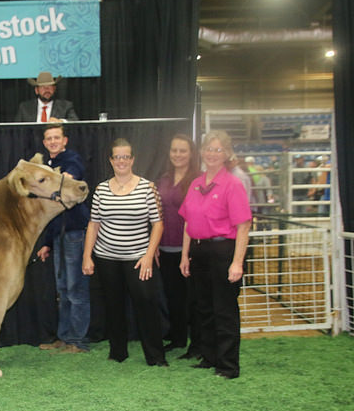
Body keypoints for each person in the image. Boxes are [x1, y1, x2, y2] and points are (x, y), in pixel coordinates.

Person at [82, 138, 167, 366]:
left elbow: (158, 224)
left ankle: (156, 356)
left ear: (132, 159)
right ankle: (117, 352)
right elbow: (94, 224)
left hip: (138, 259)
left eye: (126, 156)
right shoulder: (100, 189)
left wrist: (149, 256)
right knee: (113, 306)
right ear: (111, 160)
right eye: (117, 157)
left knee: (147, 305)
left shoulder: (147, 188)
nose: (121, 161)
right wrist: (87, 256)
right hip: (106, 258)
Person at [179, 130, 252, 379]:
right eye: (209, 149)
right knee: (204, 308)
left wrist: (237, 263)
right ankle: (209, 357)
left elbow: (243, 225)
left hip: (223, 250)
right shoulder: (196, 184)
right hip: (198, 250)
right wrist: (185, 255)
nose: (212, 154)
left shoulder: (233, 184)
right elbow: (188, 222)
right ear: (202, 153)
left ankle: (228, 365)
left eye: (218, 149)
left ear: (227, 154)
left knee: (224, 310)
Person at [35, 124, 91, 354]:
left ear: (65, 140)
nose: (53, 141)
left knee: (75, 287)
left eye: (57, 137)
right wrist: (47, 242)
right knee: (63, 288)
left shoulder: (72, 159)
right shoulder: (48, 165)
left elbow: (69, 180)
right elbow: (50, 209)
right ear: (45, 143)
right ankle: (65, 336)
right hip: (59, 233)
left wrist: (48, 179)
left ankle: (78, 340)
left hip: (74, 232)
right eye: (49, 138)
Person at [156, 134, 201, 358]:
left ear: (191, 154)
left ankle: (198, 344)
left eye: (182, 151)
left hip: (190, 250)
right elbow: (156, 213)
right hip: (165, 248)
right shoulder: (164, 179)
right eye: (174, 150)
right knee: (172, 297)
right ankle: (177, 338)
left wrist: (187, 252)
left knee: (192, 299)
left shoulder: (198, 181)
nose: (178, 155)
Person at [14, 71, 79, 123]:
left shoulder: (65, 106)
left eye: (49, 86)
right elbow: (16, 129)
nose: (47, 89)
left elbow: (75, 122)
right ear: (36, 90)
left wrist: (60, 121)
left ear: (54, 89)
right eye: (43, 87)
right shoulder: (25, 108)